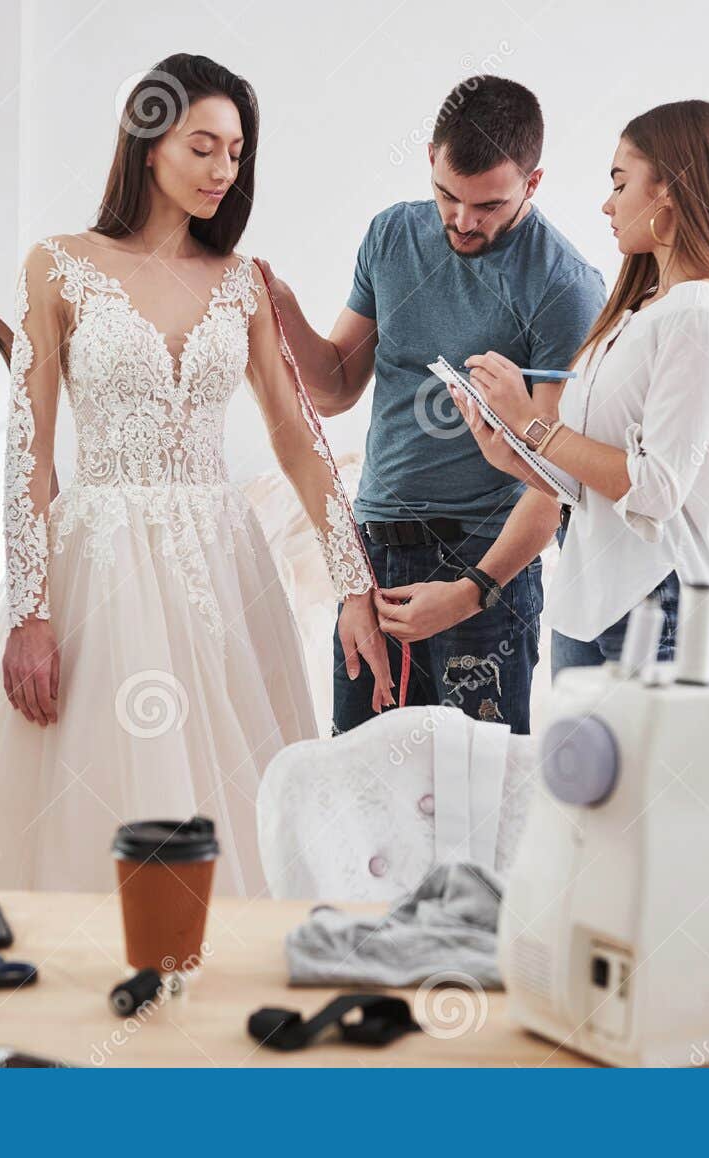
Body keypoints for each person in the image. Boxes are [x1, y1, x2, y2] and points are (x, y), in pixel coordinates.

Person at [0, 54, 391, 897]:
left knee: (236, 793)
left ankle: (211, 983)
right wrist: (30, 613)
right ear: (149, 145)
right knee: (102, 780)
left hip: (223, 566)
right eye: (203, 147)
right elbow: (28, 449)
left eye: (236, 153)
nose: (224, 171)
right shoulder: (58, 265)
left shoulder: (243, 281)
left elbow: (297, 437)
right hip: (97, 566)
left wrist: (352, 583)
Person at [261, 75, 605, 734]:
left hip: (484, 565)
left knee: (476, 812)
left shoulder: (564, 286)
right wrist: (285, 309)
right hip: (374, 557)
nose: (464, 220)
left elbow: (554, 484)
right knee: (360, 797)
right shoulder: (391, 235)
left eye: (489, 204)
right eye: (448, 195)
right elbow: (334, 387)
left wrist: (470, 592)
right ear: (429, 159)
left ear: (532, 184)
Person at [452, 99, 709, 671]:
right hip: (588, 600)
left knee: (639, 764)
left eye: (620, 182)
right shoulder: (640, 312)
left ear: (669, 190)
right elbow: (599, 490)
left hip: (654, 602)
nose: (607, 203)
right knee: (574, 764)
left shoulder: (703, 311)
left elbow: (654, 489)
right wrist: (511, 452)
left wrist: (533, 423)